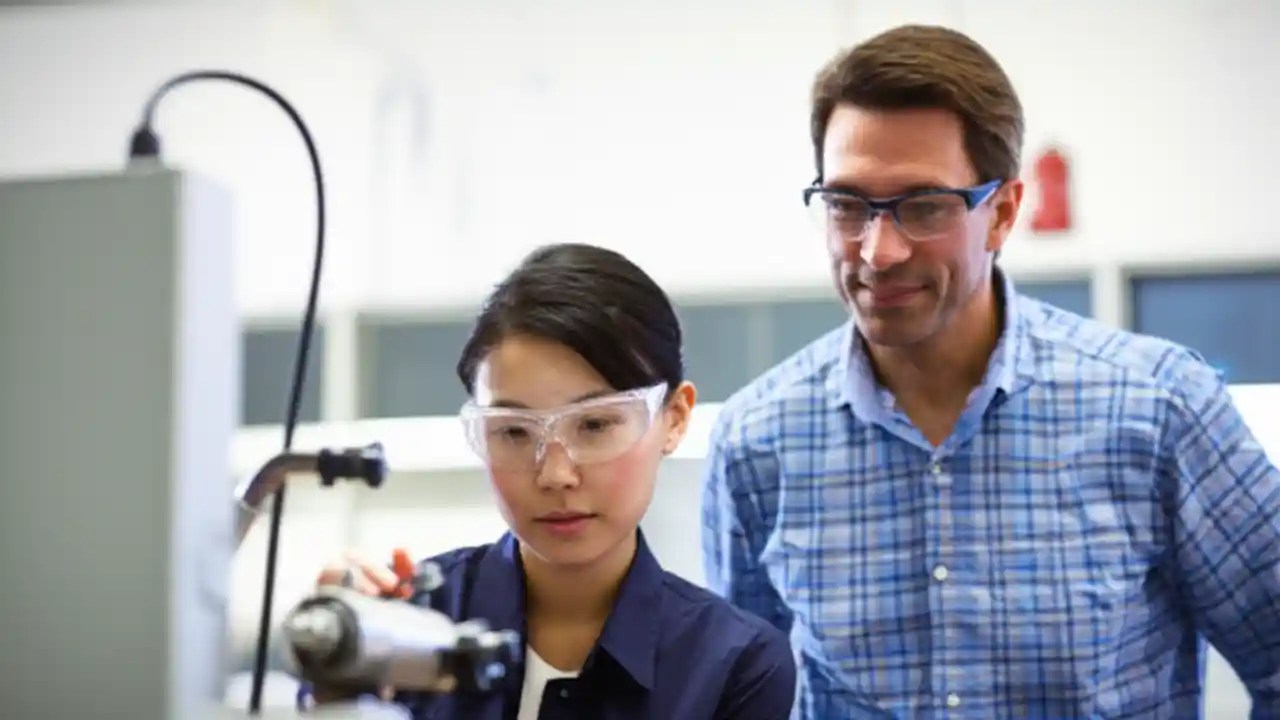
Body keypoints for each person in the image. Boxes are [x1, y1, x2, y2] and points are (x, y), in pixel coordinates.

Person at [701, 23, 1280, 719]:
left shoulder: (1157, 410)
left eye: (921, 207)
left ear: (1002, 211)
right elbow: (741, 707)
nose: (877, 251)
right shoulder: (756, 443)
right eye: (847, 205)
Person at [312, 243, 797, 719]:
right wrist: (337, 669)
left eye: (595, 425)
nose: (556, 475)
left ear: (673, 418)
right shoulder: (409, 627)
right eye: (515, 432)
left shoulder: (734, 666)